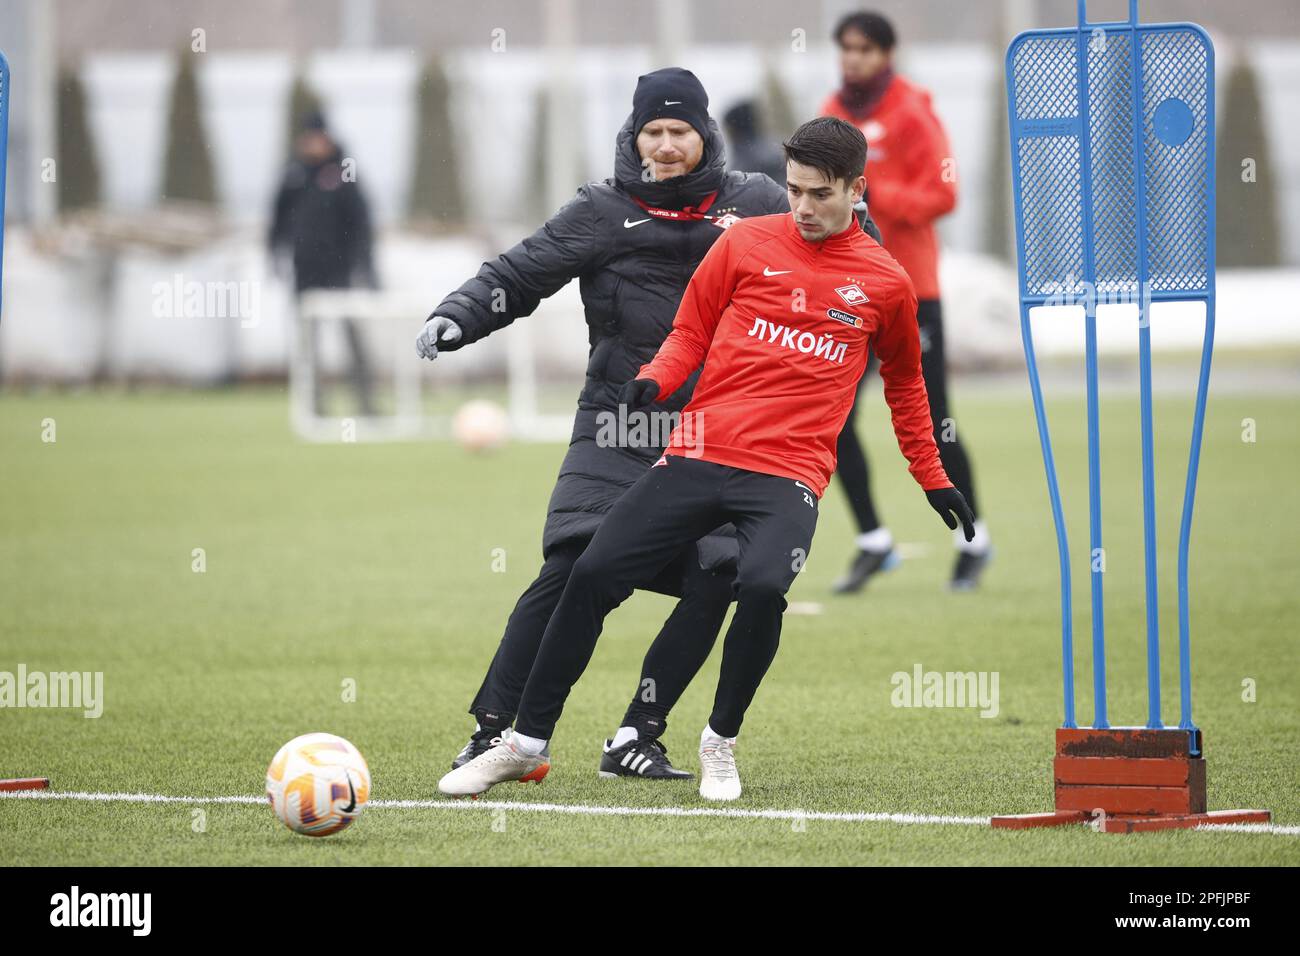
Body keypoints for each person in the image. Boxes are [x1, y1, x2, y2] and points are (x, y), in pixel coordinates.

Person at [438, 117, 973, 802]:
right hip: (697, 450)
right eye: (794, 191)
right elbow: (690, 330)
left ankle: (719, 741)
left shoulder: (885, 283)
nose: (803, 208)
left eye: (819, 194)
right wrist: (656, 380)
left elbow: (905, 382)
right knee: (592, 569)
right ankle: (523, 743)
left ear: (856, 190)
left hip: (787, 476)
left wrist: (931, 475)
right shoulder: (745, 243)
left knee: (758, 586)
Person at [820, 10, 992, 592]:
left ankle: (975, 539)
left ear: (887, 55)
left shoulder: (913, 113)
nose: (853, 58)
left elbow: (944, 193)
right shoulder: (833, 112)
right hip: (850, 292)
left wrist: (874, 196)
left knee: (935, 420)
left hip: (914, 293)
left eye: (865, 49)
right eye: (846, 48)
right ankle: (874, 541)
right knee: (833, 419)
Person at [269, 110, 377, 416]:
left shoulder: (344, 171)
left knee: (352, 337)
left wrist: (364, 264)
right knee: (308, 342)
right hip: (305, 271)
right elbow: (277, 219)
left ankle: (365, 403)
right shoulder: (294, 173)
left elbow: (361, 221)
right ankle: (313, 405)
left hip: (340, 271)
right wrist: (274, 255)